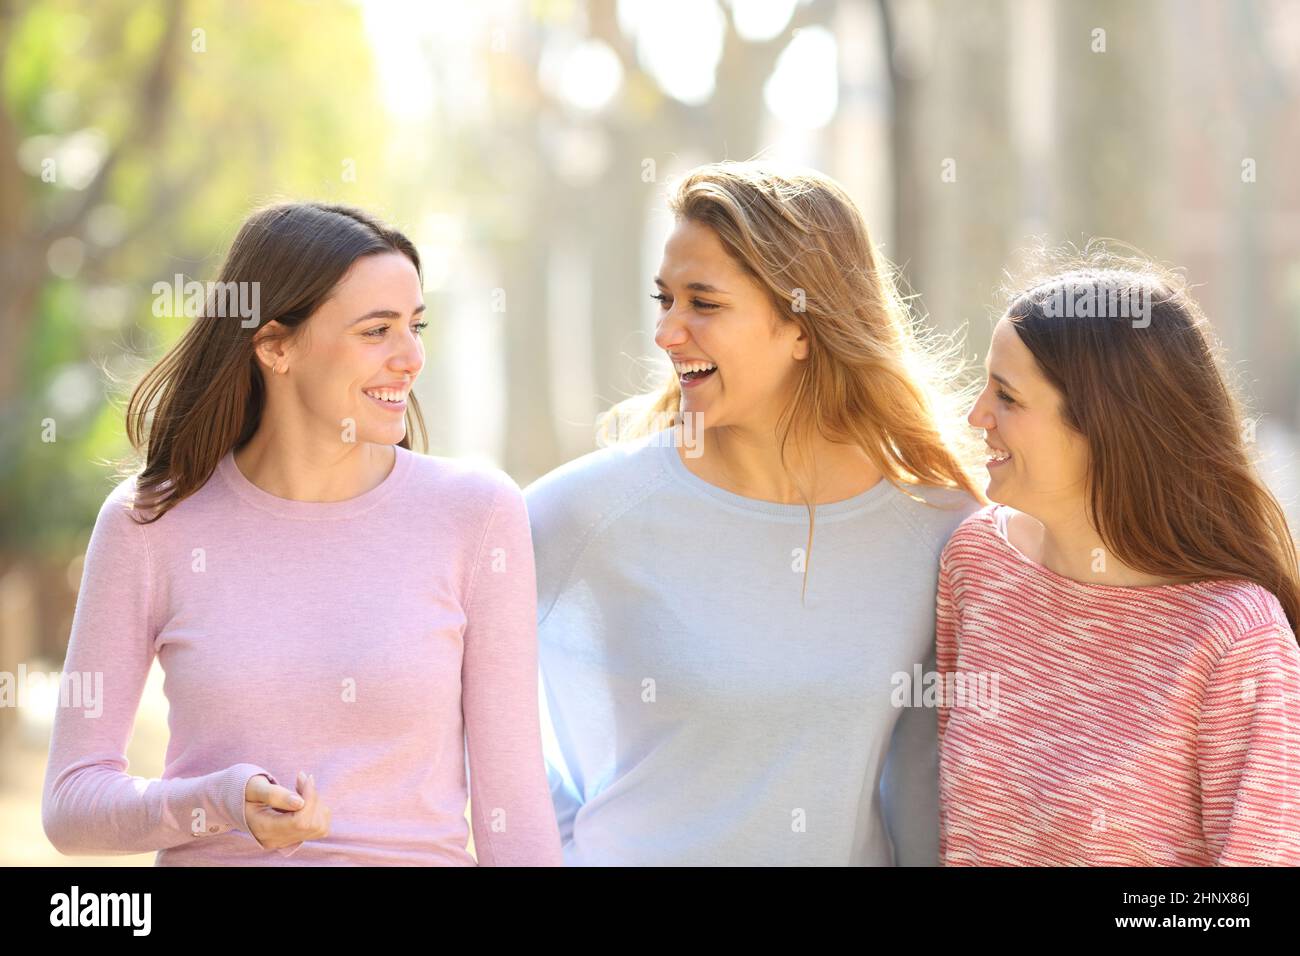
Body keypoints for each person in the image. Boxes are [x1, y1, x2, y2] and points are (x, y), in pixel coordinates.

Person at [41, 202, 562, 866]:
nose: (411, 358)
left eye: (415, 326)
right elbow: (70, 808)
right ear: (274, 345)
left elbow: (513, 813)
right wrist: (218, 803)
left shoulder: (478, 514)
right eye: (377, 331)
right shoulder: (151, 523)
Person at [526, 161, 983, 865]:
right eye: (665, 300)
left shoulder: (938, 530)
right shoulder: (581, 513)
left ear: (803, 325)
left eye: (703, 303)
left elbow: (926, 779)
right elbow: (460, 710)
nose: (668, 333)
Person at [938, 246, 1300, 865]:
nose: (977, 416)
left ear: (1105, 426)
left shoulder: (1234, 638)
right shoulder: (977, 564)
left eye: (1008, 397)